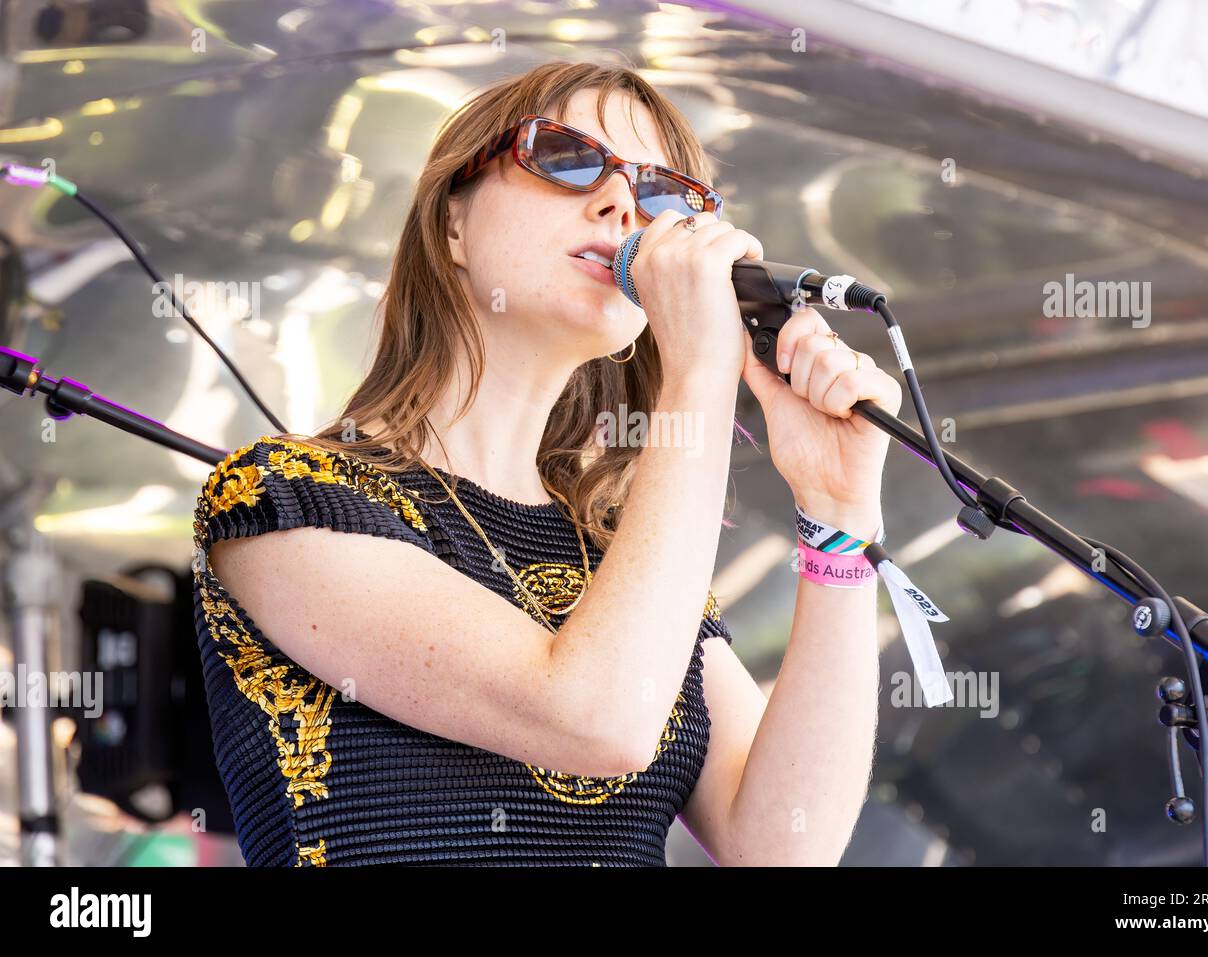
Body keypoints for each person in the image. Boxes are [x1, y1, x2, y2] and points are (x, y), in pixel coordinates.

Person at [191, 60, 902, 867]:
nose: (621, 204)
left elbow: (783, 845)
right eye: (566, 156)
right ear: (451, 223)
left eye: (659, 193)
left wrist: (838, 519)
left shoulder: (615, 555)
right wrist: (698, 367)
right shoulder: (287, 497)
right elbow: (597, 717)